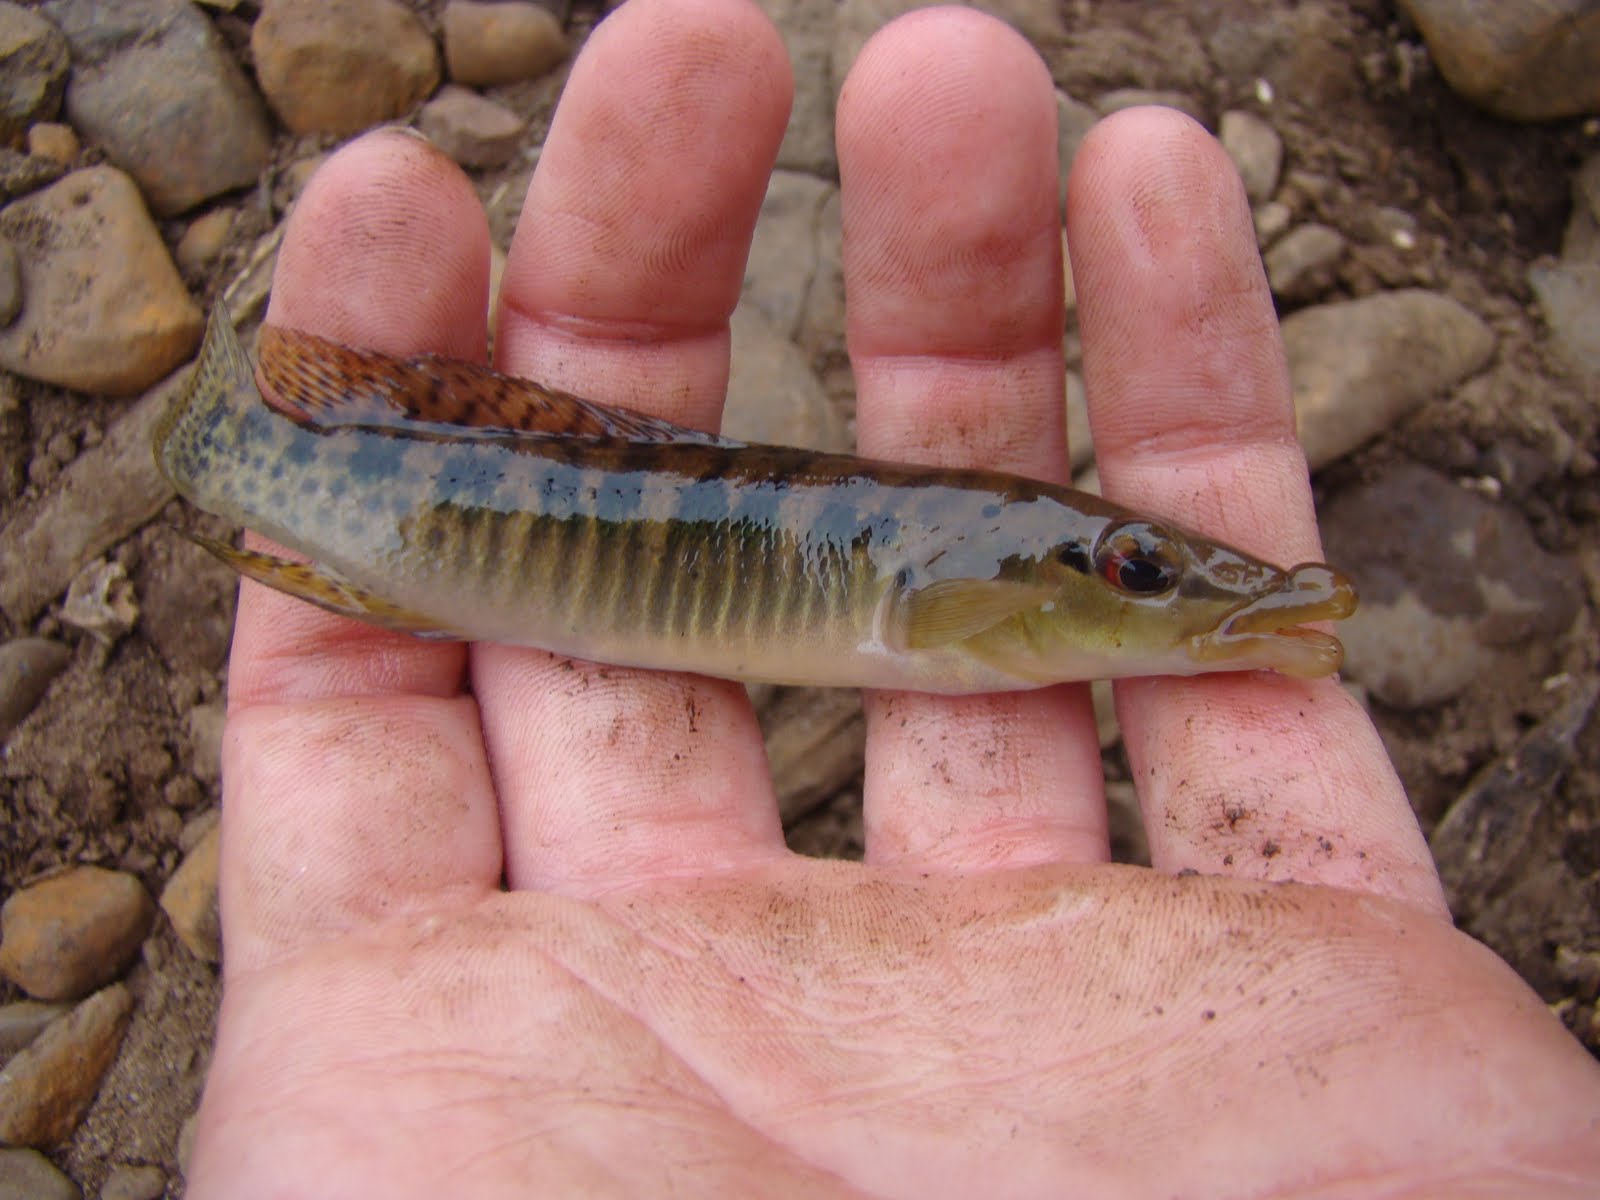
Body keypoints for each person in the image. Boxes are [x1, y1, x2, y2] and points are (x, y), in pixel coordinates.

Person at [183, 1, 1600, 1195]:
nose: (1154, 584)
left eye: (1140, 569)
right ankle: (193, 424)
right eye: (1131, 573)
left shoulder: (952, 602)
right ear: (948, 581)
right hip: (423, 521)